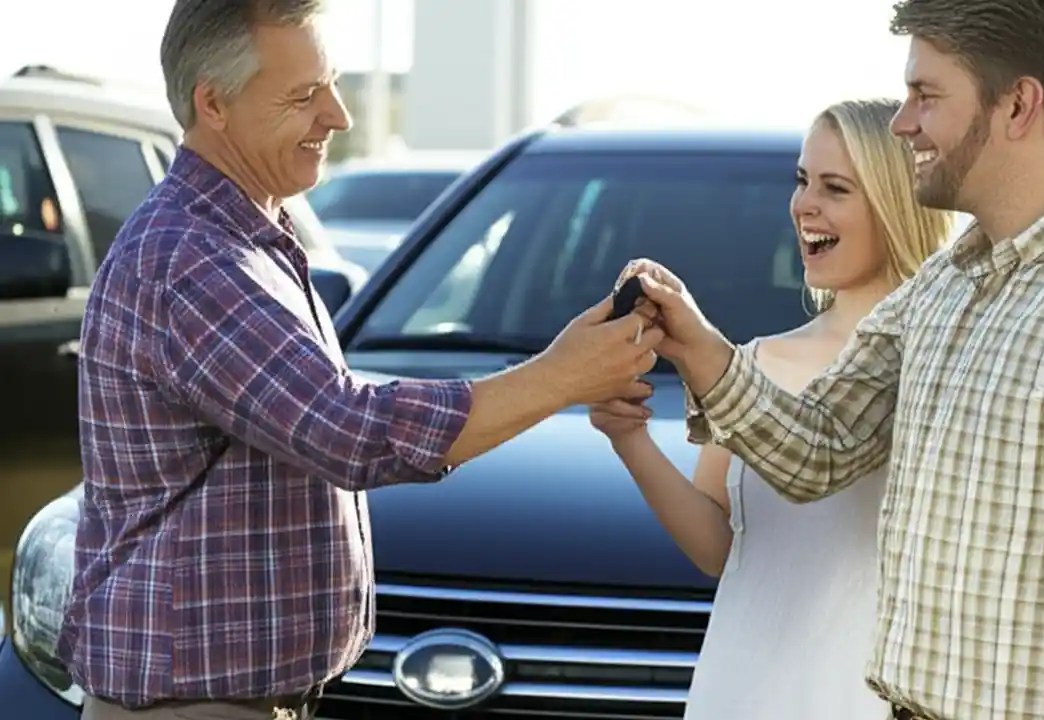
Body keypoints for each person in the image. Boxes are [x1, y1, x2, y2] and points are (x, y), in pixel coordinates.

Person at [623, 0, 1044, 718]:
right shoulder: (943, 286)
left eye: (926, 96)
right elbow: (820, 449)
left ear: (1018, 104)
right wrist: (696, 343)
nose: (903, 123)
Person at [62, 2, 660, 719]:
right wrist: (562, 375)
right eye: (303, 95)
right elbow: (347, 430)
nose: (339, 116)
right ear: (213, 103)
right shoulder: (192, 259)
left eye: (334, 82)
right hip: (194, 703)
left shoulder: (243, 240)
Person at [588, 98, 951, 719]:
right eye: (803, 180)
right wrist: (630, 441)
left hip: (865, 696)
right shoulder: (750, 363)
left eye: (835, 187)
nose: (804, 205)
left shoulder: (947, 362)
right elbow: (720, 549)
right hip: (743, 684)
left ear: (897, 202)